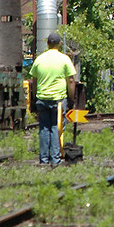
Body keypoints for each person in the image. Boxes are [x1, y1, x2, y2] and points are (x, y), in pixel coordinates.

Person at [28, 32, 76, 166]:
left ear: (47, 44)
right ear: (59, 44)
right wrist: (71, 99)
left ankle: (43, 160)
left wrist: (34, 97)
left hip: (42, 98)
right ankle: (55, 160)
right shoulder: (64, 59)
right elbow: (71, 81)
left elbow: (34, 80)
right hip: (58, 99)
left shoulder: (39, 59)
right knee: (56, 127)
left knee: (44, 128)